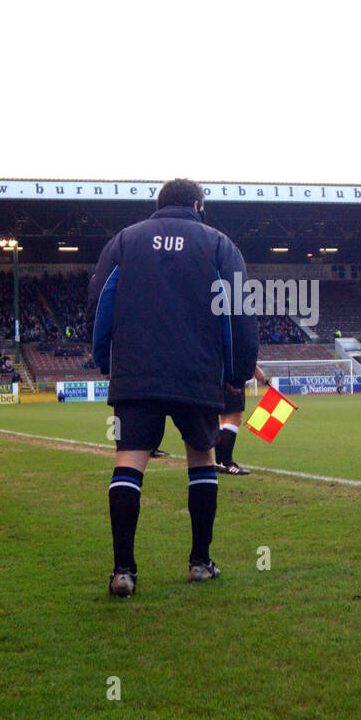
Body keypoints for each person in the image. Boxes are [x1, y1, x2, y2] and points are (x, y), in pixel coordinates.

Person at [87, 178, 258, 598]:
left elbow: (99, 302)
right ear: (199, 204)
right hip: (197, 372)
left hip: (137, 372)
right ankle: (200, 562)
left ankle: (123, 571)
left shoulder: (125, 241)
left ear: (158, 204)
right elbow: (238, 311)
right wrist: (238, 370)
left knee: (129, 463)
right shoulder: (220, 245)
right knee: (202, 460)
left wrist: (106, 359)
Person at [215, 365, 270, 475]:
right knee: (233, 419)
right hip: (232, 377)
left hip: (217, 375)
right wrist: (256, 369)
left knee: (224, 419)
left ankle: (219, 462)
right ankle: (227, 463)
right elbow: (240, 352)